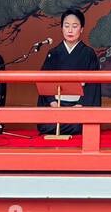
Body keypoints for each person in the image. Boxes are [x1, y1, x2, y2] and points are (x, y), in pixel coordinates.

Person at [37, 7, 101, 136]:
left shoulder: (89, 54)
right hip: (57, 105)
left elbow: (93, 85)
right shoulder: (53, 53)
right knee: (46, 126)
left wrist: (80, 105)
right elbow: (44, 81)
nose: (70, 30)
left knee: (78, 125)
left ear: (81, 29)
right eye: (66, 26)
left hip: (78, 105)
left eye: (75, 26)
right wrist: (53, 103)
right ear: (62, 28)